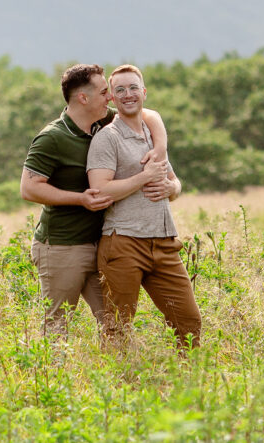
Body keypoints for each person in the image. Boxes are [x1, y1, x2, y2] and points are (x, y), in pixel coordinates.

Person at [20, 64, 177, 337]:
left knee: (114, 321)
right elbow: (29, 189)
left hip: (102, 245)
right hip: (62, 246)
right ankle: (48, 378)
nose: (110, 97)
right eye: (105, 92)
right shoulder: (52, 138)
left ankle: (117, 376)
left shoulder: (103, 122)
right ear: (83, 98)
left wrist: (160, 148)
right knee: (57, 324)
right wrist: (80, 199)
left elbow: (150, 114)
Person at [87, 64, 200, 350]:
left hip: (164, 242)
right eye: (120, 90)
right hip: (123, 242)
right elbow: (100, 190)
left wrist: (172, 188)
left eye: (133, 88)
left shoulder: (152, 136)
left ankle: (188, 384)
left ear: (144, 92)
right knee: (117, 327)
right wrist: (144, 178)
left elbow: (174, 182)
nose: (128, 94)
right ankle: (117, 386)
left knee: (189, 324)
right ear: (111, 98)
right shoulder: (107, 138)